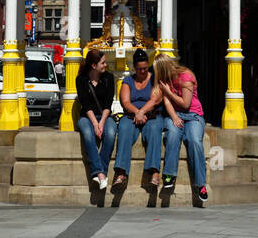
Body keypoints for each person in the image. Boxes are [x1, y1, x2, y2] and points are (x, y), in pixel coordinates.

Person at [153, 54, 208, 202]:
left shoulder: (186, 76)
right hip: (175, 114)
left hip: (193, 115)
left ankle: (201, 184)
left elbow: (185, 103)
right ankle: (169, 175)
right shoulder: (164, 80)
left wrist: (169, 92)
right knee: (172, 135)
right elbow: (167, 102)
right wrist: (174, 117)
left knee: (194, 141)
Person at [112, 49, 163, 189]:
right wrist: (137, 113)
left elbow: (155, 99)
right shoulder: (128, 80)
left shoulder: (154, 79)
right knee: (124, 129)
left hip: (152, 115)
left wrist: (142, 112)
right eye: (140, 69)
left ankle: (154, 172)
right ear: (135, 67)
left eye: (145, 68)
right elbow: (126, 102)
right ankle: (121, 173)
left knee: (154, 130)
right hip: (131, 115)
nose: (142, 71)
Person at [75, 49, 116, 190]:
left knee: (110, 134)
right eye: (102, 63)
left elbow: (108, 103)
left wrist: (102, 123)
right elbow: (85, 105)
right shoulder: (81, 80)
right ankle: (100, 173)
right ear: (93, 65)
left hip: (104, 115)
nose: (105, 65)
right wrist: (95, 124)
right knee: (87, 134)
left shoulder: (109, 78)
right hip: (87, 116)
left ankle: (101, 171)